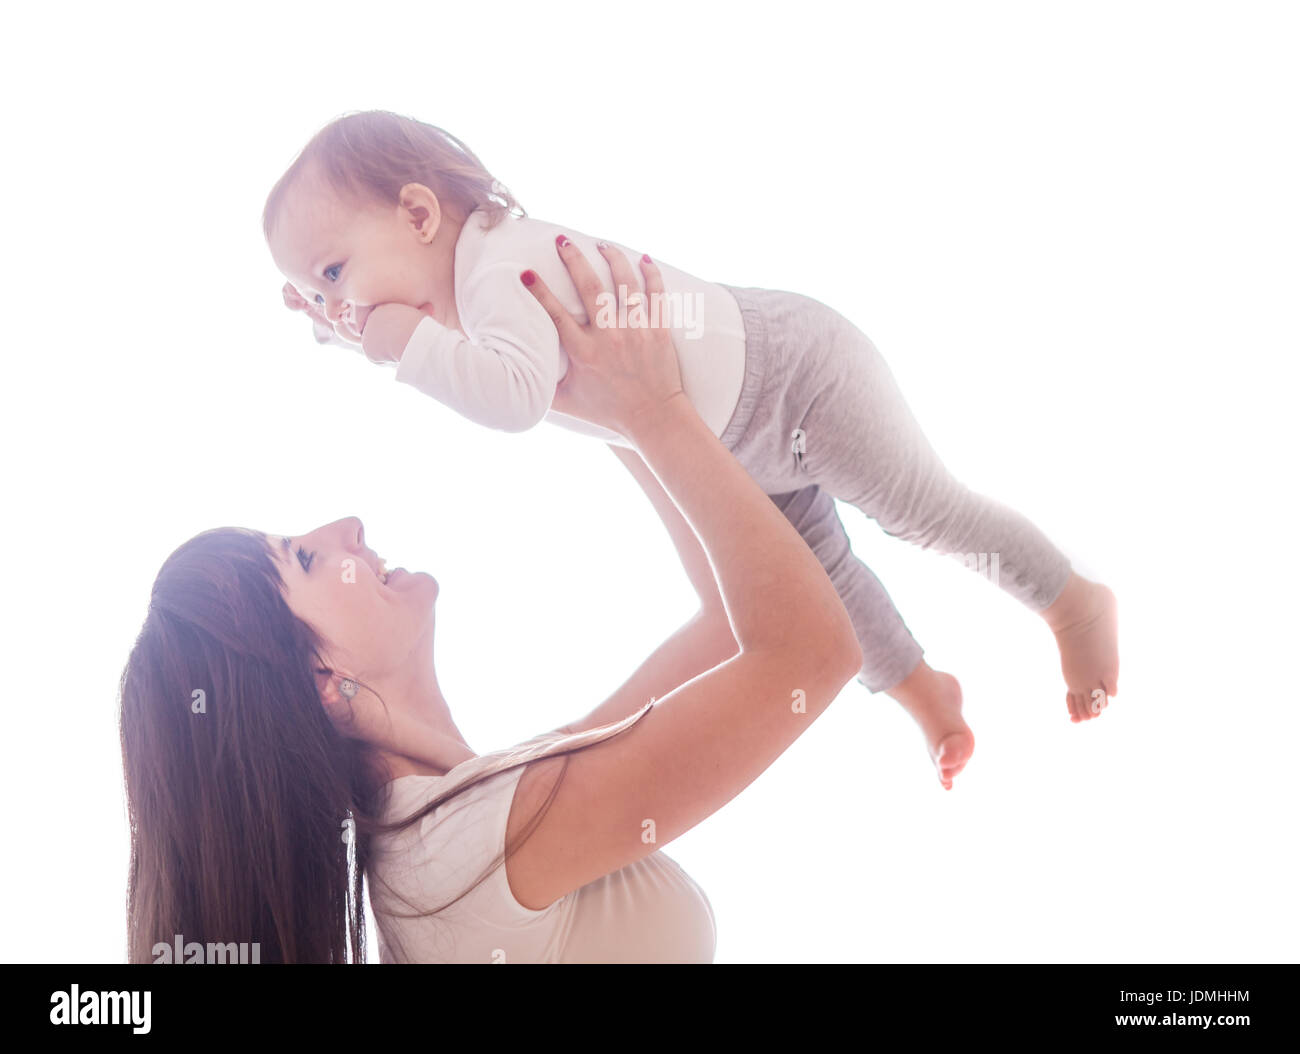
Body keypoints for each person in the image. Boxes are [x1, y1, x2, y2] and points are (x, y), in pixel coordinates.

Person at [264, 109, 1120, 789]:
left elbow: (514, 398)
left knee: (925, 513)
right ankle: (924, 690)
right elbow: (426, 337)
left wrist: (388, 343)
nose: (341, 307)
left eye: (334, 276)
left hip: (797, 378)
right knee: (824, 577)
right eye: (316, 292)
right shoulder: (459, 295)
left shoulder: (501, 272)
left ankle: (1071, 601)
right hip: (723, 443)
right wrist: (345, 329)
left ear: (417, 213)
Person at [119, 240, 864, 962]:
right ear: (322, 686)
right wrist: (654, 408)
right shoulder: (466, 853)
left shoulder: (468, 826)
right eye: (304, 559)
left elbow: (729, 632)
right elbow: (811, 653)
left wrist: (575, 390)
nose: (346, 527)